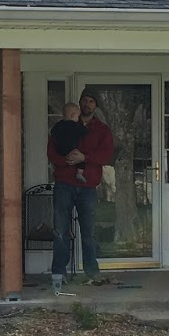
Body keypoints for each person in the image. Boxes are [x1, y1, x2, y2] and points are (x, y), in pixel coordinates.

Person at [46, 88, 114, 294]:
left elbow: (106, 154)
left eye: (92, 101)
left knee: (89, 232)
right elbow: (51, 151)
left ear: (96, 105)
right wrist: (68, 161)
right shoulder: (63, 127)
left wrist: (85, 158)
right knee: (60, 230)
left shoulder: (101, 130)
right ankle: (59, 272)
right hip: (64, 184)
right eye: (85, 100)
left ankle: (92, 272)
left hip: (88, 188)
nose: (87, 104)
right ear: (79, 104)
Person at [50, 101, 88, 185]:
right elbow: (83, 132)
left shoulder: (59, 125)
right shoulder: (75, 126)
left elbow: (53, 132)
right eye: (78, 116)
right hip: (72, 148)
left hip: (60, 149)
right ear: (73, 115)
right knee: (81, 159)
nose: (78, 118)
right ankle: (79, 173)